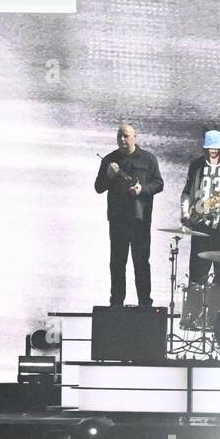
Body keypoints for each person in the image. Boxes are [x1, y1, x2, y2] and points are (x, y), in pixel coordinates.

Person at [94, 123, 164, 306]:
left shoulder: (148, 159)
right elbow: (98, 188)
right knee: (117, 263)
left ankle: (145, 304)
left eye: (126, 136)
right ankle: (116, 303)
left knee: (141, 263)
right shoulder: (109, 160)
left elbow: (159, 184)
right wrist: (108, 175)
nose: (122, 140)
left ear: (135, 137)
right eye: (119, 137)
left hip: (140, 220)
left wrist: (142, 189)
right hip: (117, 220)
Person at [180, 130, 220, 284]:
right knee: (197, 273)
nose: (213, 151)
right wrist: (185, 213)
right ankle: (195, 306)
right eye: (210, 149)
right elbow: (186, 192)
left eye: (216, 148)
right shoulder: (196, 165)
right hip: (199, 226)